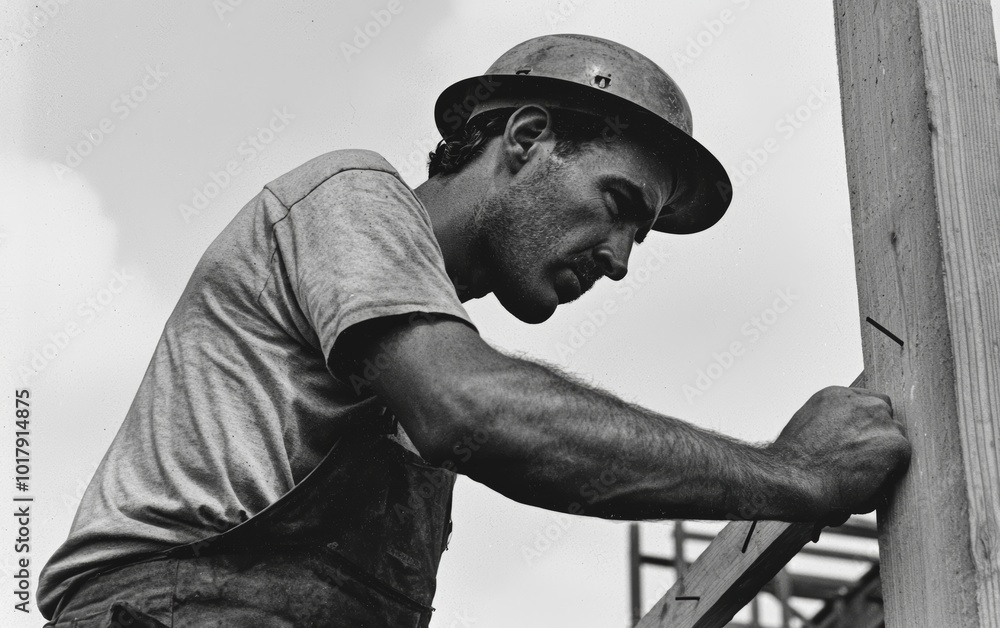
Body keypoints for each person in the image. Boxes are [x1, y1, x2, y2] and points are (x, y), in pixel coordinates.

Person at [39, 34, 910, 627]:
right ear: (527, 138)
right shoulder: (350, 198)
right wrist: (798, 476)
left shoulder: (407, 343)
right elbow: (474, 410)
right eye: (616, 207)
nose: (619, 261)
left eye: (639, 236)